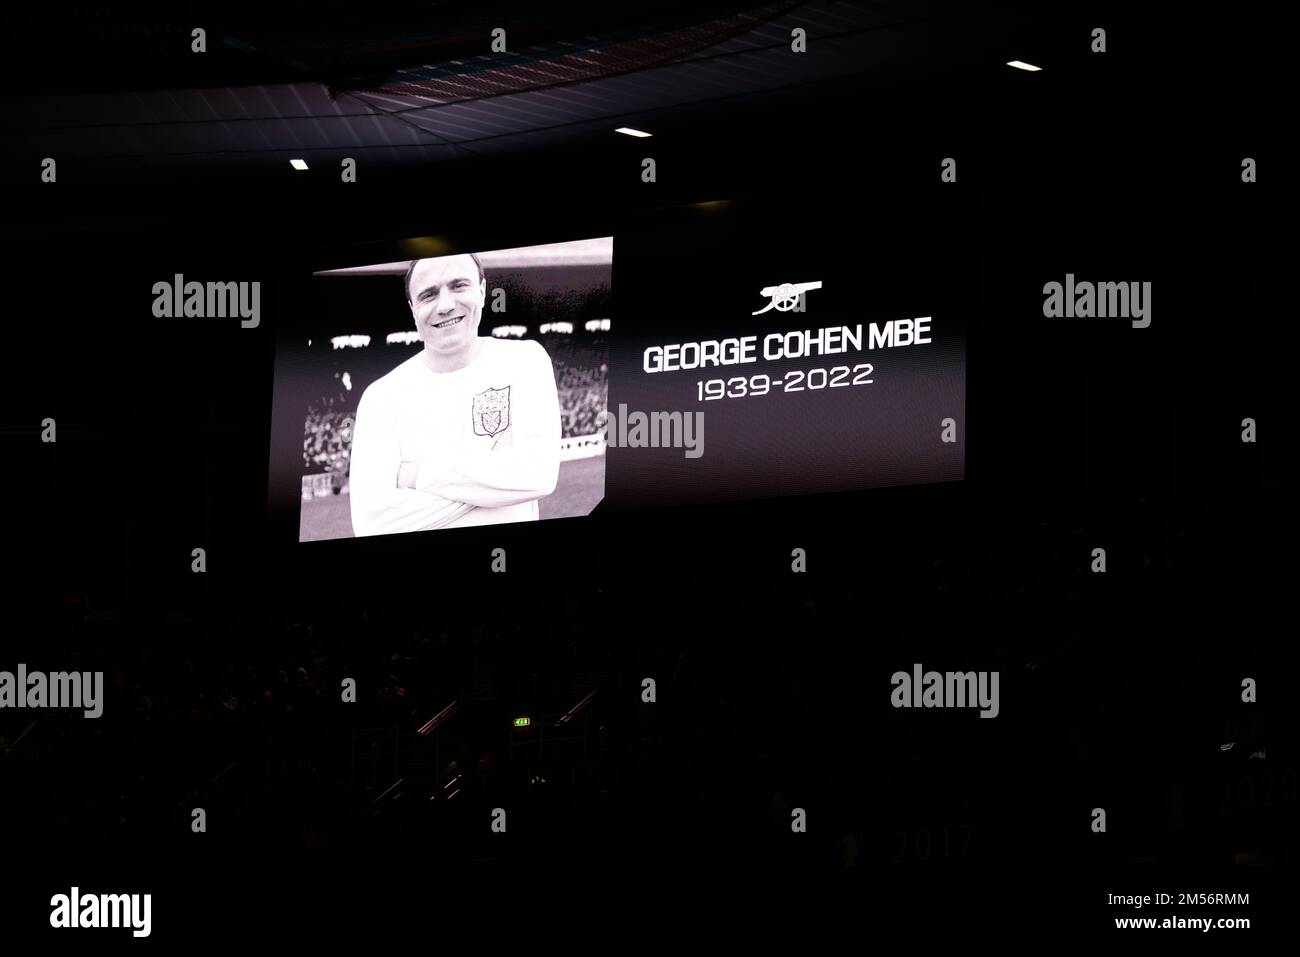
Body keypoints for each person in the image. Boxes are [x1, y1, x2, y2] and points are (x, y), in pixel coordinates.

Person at [349, 252, 560, 536]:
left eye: (459, 285)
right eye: (428, 295)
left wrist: (417, 475)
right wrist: (495, 481)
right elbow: (372, 524)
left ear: (483, 291)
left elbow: (537, 474)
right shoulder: (380, 398)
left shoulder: (525, 361)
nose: (445, 305)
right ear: (413, 309)